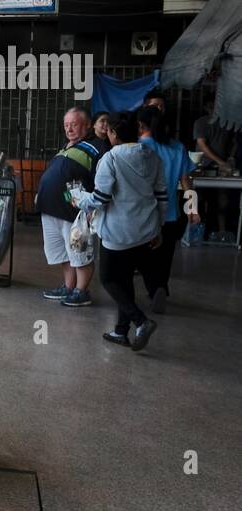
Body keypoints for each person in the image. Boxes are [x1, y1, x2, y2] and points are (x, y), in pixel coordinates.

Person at [74, 111, 167, 351]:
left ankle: (141, 321)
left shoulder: (111, 159)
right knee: (125, 280)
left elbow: (101, 198)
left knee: (108, 278)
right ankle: (120, 331)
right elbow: (162, 196)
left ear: (113, 133)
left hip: (118, 232)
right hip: (145, 230)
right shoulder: (152, 156)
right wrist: (158, 226)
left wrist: (80, 199)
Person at [35, 107, 104, 307]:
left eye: (74, 124)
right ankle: (69, 286)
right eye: (66, 125)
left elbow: (102, 180)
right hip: (51, 208)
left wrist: (94, 209)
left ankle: (81, 291)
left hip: (74, 212)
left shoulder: (96, 147)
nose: (69, 129)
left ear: (87, 125)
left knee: (79, 251)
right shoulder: (66, 148)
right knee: (64, 253)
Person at [137, 105, 197, 312]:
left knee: (143, 257)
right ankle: (160, 287)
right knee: (164, 256)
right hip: (170, 213)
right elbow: (186, 180)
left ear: (141, 124)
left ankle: (154, 289)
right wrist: (192, 208)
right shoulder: (177, 146)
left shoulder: (138, 146)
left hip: (142, 214)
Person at [193, 100, 239, 243]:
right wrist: (221, 162)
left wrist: (230, 158)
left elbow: (235, 142)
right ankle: (196, 232)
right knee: (198, 200)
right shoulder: (201, 122)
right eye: (212, 105)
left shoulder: (228, 123)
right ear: (207, 107)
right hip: (201, 166)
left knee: (222, 201)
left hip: (222, 169)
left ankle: (222, 232)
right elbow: (202, 145)